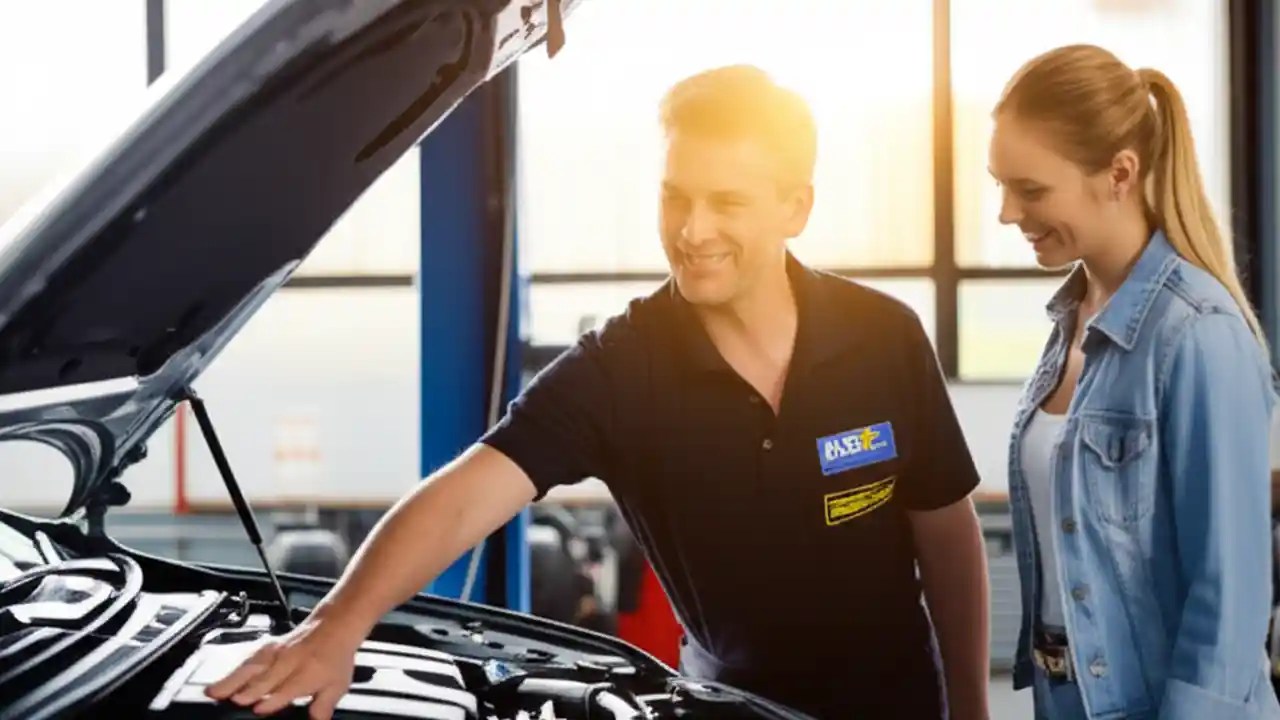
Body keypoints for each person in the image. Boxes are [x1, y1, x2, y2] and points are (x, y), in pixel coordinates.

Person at [205, 64, 992, 720]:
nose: (692, 229)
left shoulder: (883, 335)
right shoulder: (623, 367)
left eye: (728, 202)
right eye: (675, 196)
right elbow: (466, 494)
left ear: (796, 208)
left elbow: (947, 532)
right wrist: (337, 625)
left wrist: (972, 707)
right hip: (733, 709)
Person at [988, 43, 1280, 720]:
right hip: (1069, 699)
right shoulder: (1072, 319)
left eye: (1030, 189)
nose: (1006, 212)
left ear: (1119, 173)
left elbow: (1229, 605)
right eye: (999, 184)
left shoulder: (1199, 332)